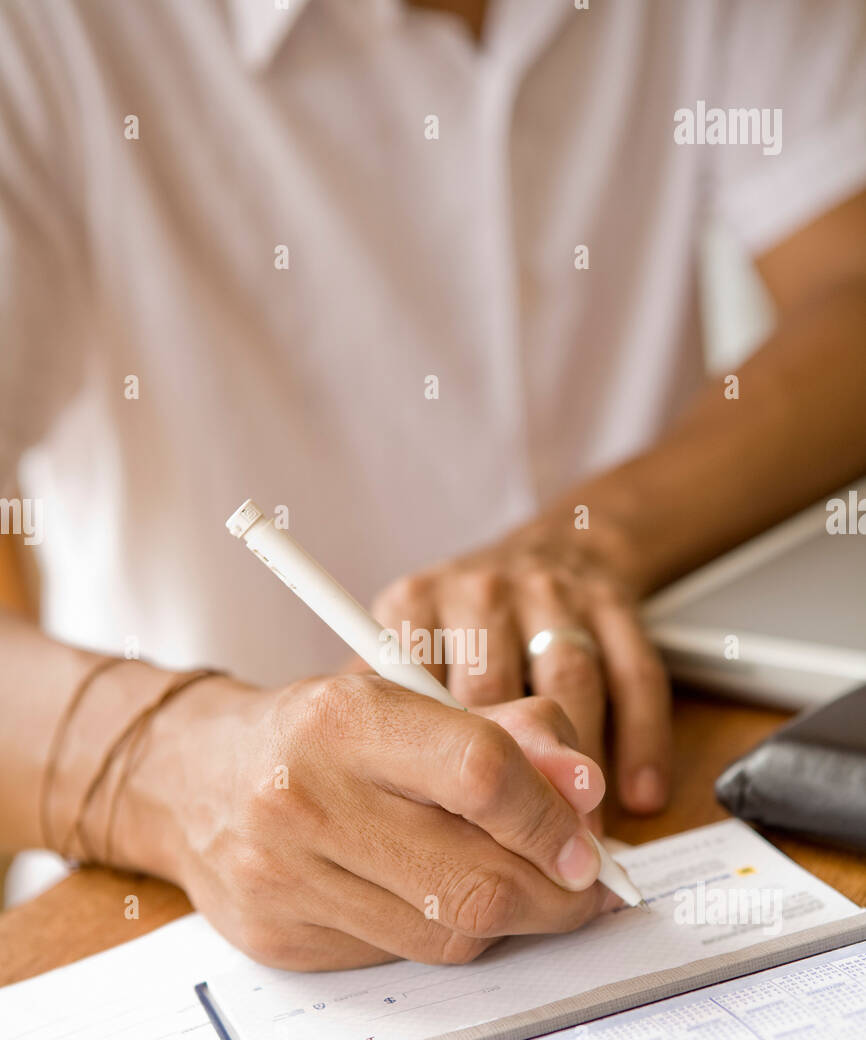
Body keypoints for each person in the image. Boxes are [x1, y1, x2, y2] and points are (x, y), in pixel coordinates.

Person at [1, 0, 865, 969]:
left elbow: (851, 280)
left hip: (635, 774)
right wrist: (175, 768)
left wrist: (590, 539)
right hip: (165, 914)